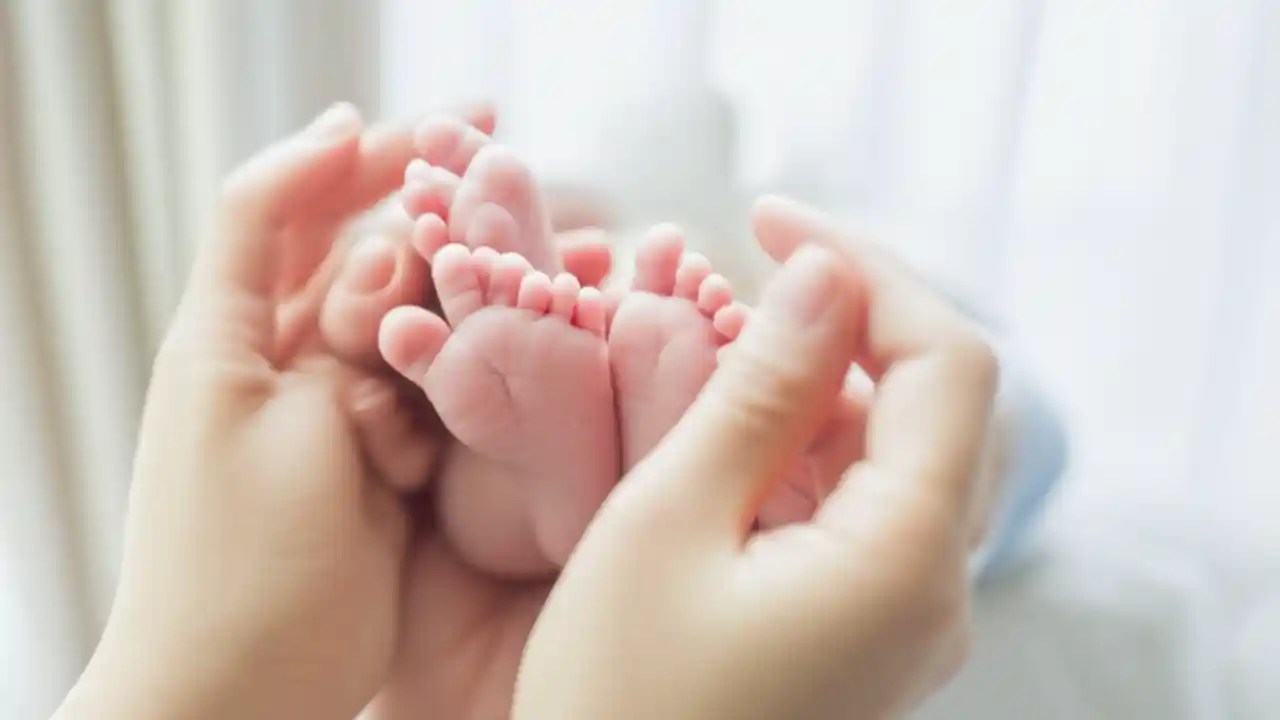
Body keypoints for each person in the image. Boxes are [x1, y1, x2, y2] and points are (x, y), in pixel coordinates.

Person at [52, 105, 996, 719]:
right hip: (542, 504)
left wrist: (187, 683)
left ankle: (567, 471)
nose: (595, 288)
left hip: (529, 518)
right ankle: (585, 470)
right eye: (581, 279)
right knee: (989, 436)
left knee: (512, 435)